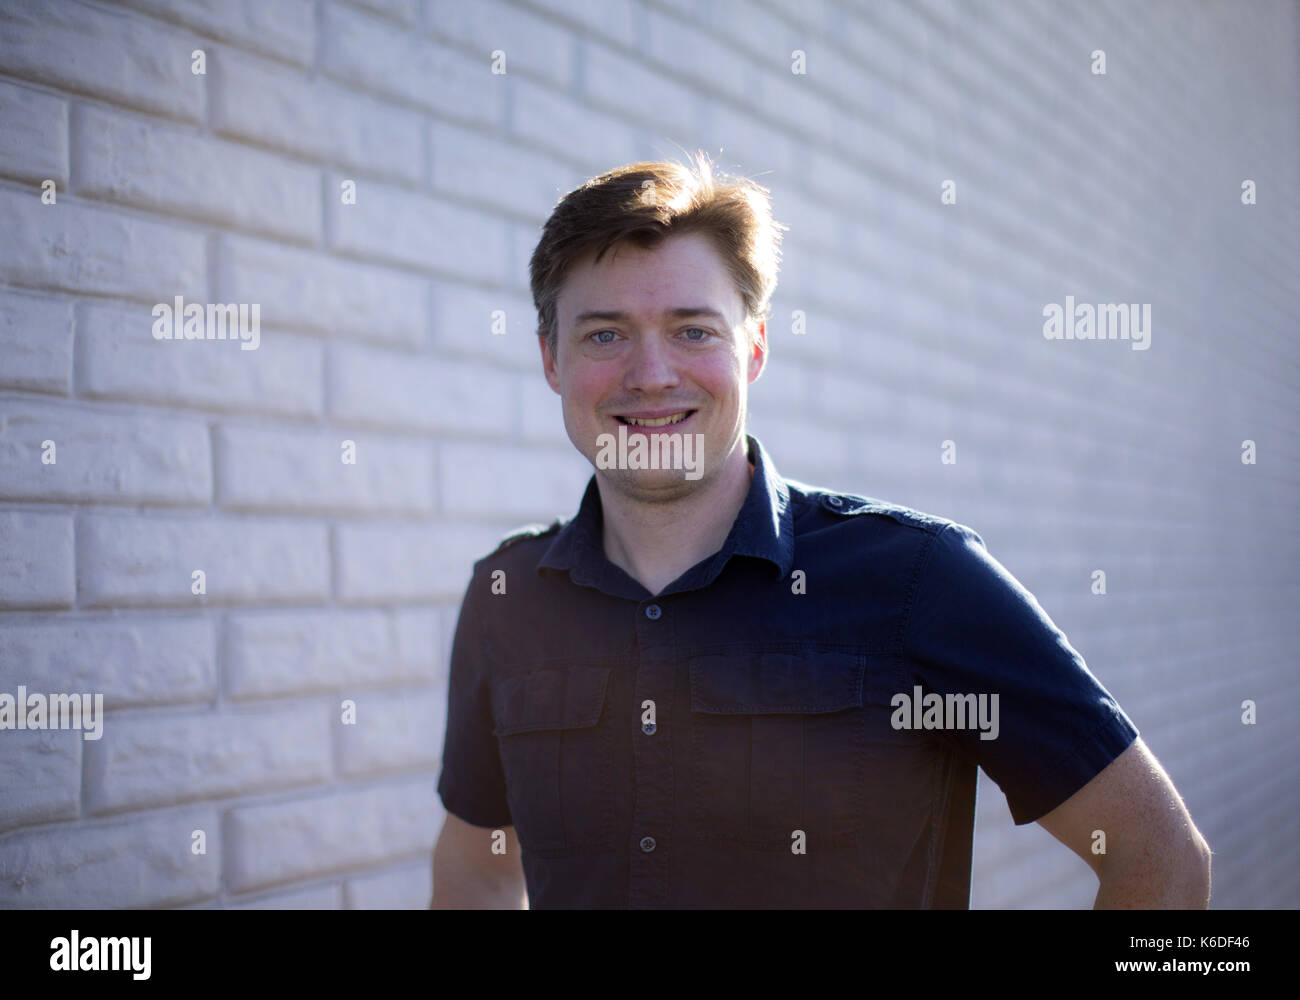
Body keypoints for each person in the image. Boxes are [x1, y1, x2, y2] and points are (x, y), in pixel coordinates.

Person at [430, 153, 1212, 909]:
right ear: (551, 360)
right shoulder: (507, 598)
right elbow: (480, 872)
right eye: (605, 334)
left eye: (693, 330)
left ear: (756, 347)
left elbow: (1160, 857)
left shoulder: (918, 580)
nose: (652, 373)